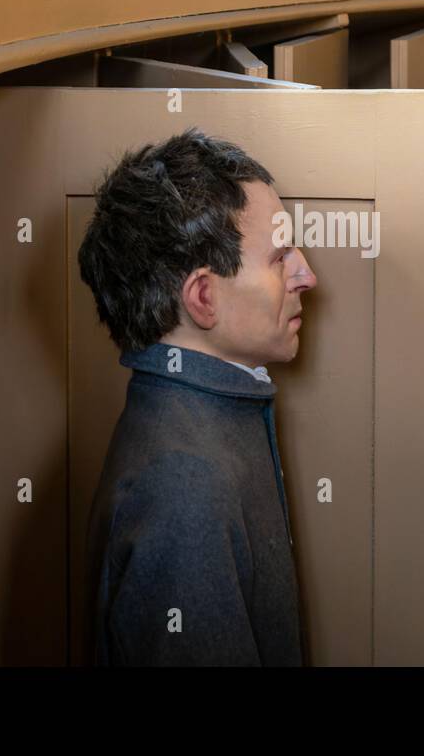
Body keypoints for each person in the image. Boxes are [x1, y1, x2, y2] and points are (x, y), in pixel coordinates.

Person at [78, 128, 318, 666]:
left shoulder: (203, 408)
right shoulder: (184, 485)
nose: (307, 273)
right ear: (204, 297)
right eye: (281, 258)